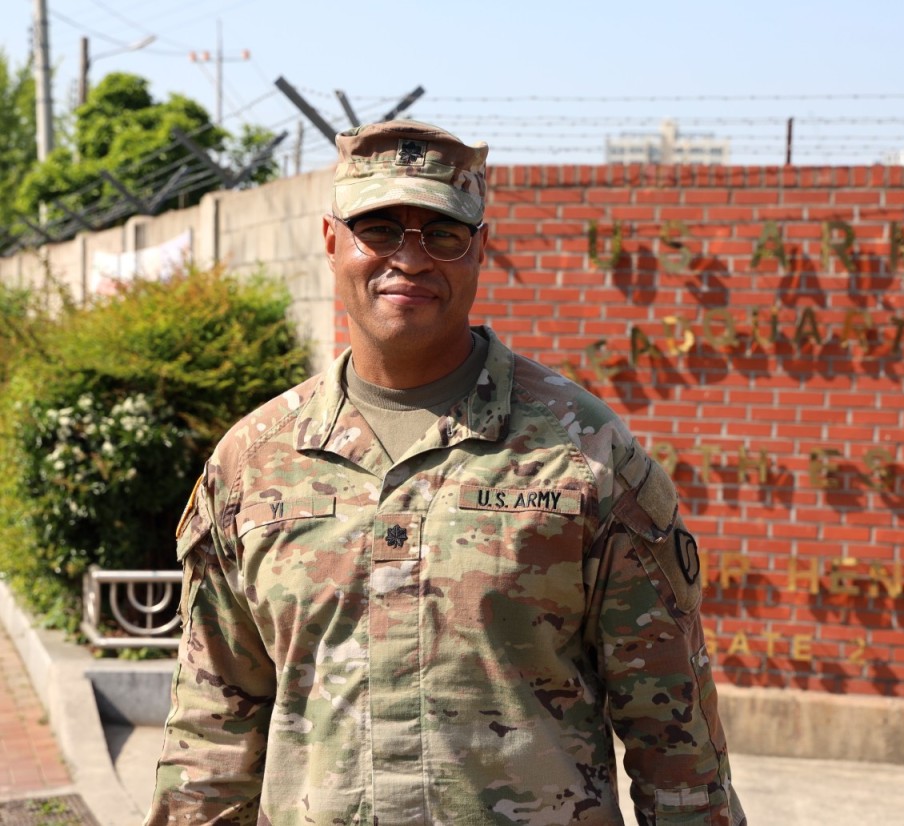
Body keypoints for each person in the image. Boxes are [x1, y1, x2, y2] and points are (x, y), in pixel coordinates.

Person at [146, 118, 745, 825]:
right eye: (380, 228)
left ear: (480, 251)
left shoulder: (582, 452)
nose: (411, 258)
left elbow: (674, 741)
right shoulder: (255, 462)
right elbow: (213, 734)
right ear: (332, 240)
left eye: (443, 233)